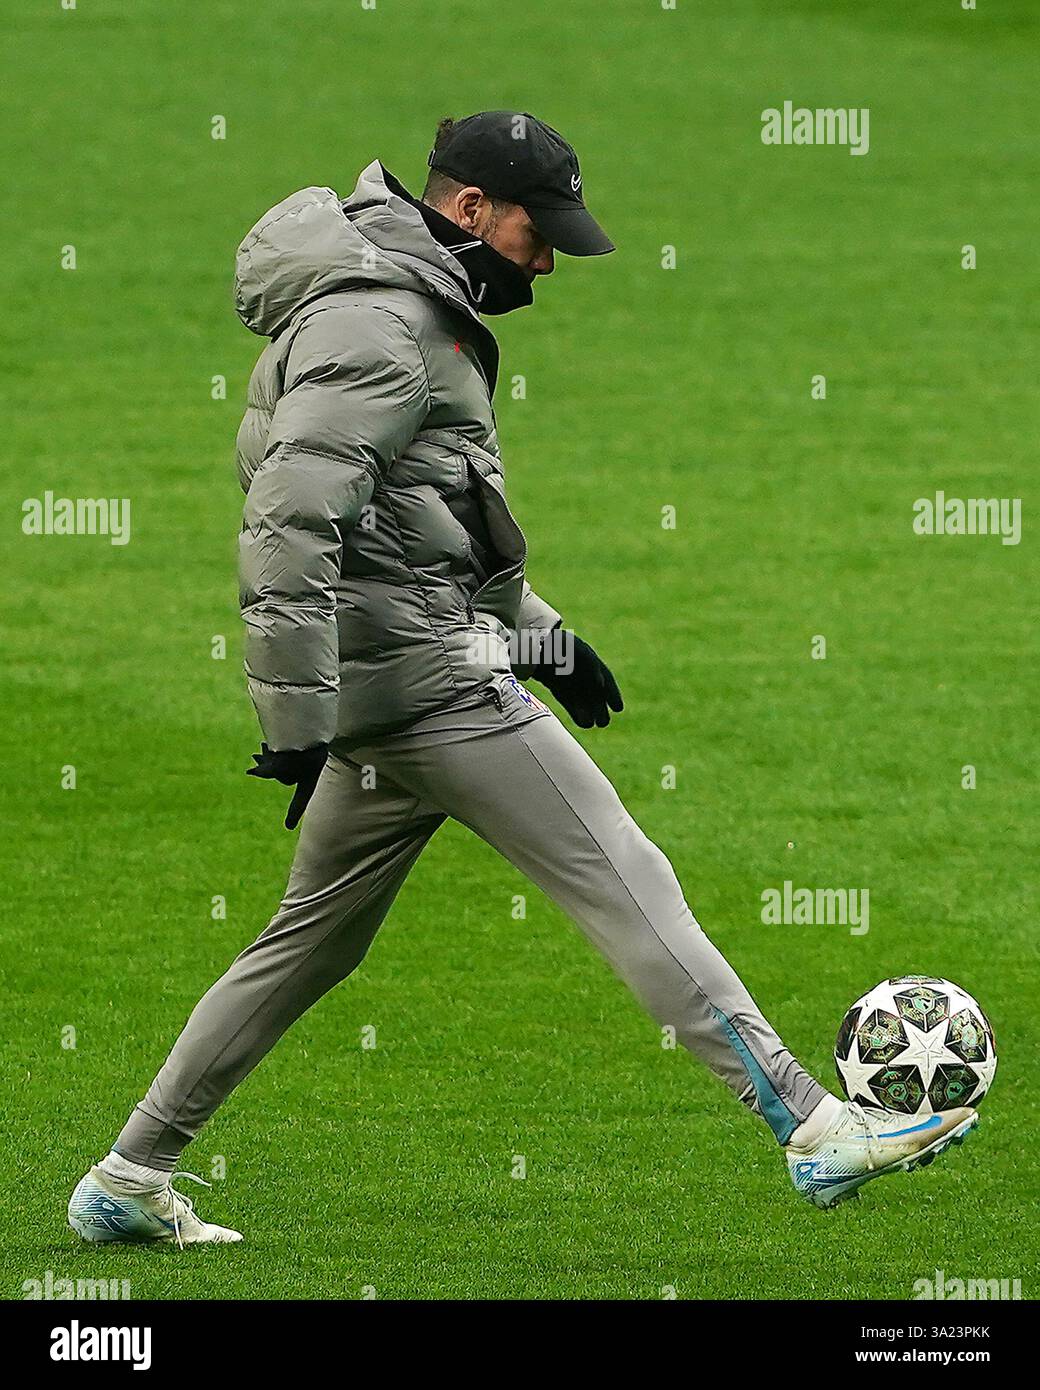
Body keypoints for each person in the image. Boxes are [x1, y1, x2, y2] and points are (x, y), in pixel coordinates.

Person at [69, 112, 976, 1246]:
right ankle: (811, 1125)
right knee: (620, 867)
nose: (544, 258)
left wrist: (543, 638)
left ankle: (128, 1174)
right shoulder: (383, 326)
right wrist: (297, 717)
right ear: (465, 211)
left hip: (388, 673)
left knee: (309, 940)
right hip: (422, 683)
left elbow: (436, 525)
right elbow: (291, 520)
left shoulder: (399, 309)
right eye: (535, 232)